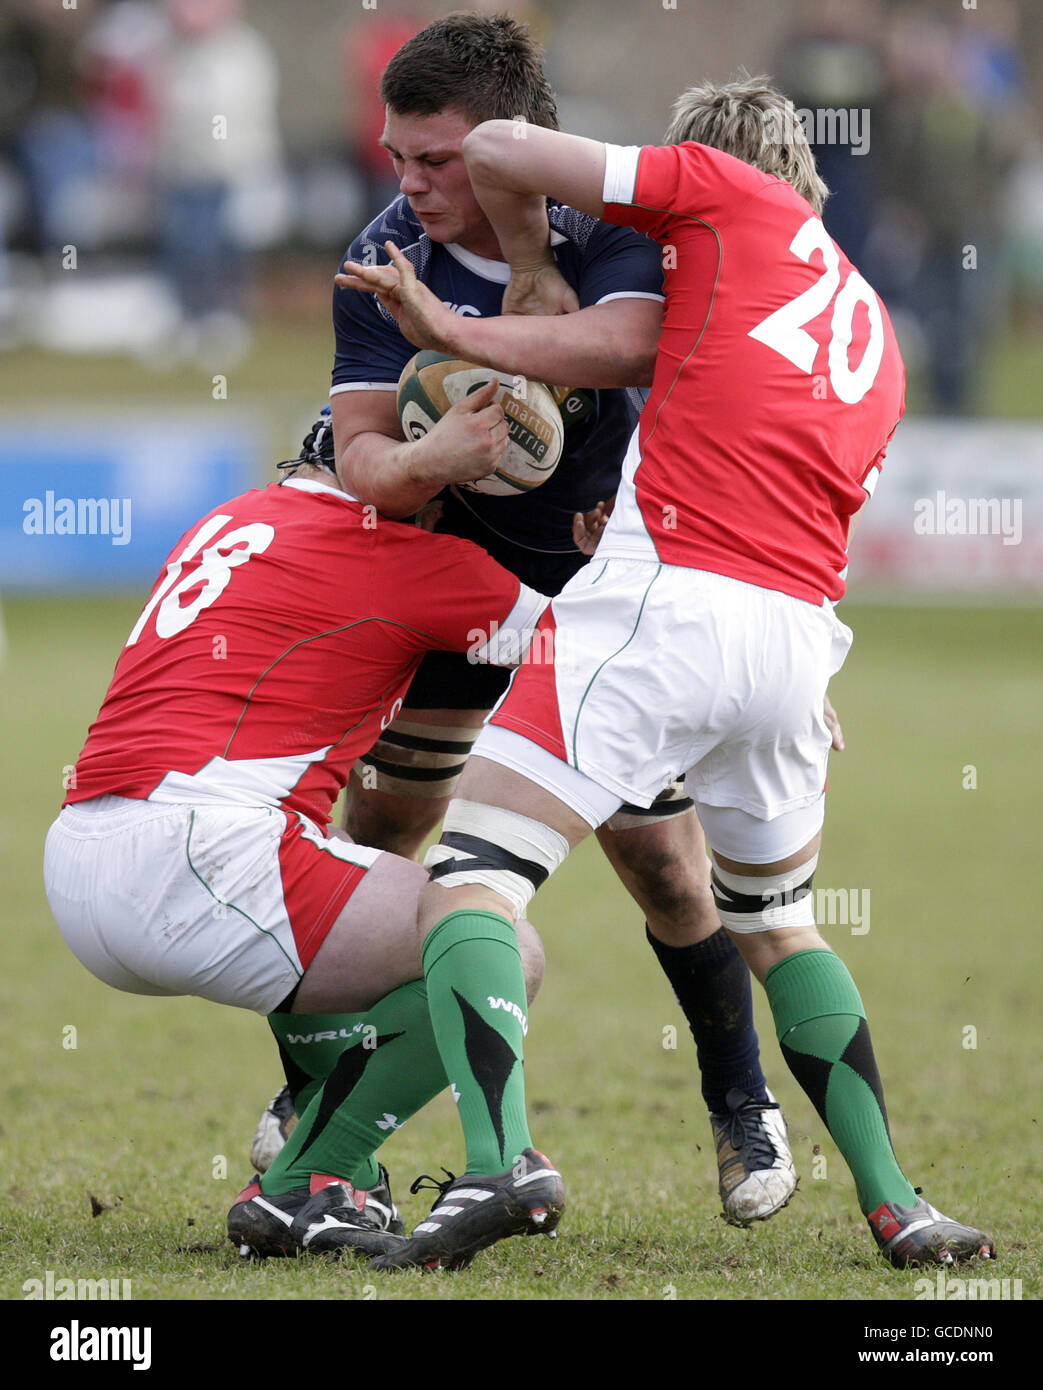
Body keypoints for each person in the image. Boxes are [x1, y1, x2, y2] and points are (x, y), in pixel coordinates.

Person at [339, 75, 996, 1274]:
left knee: (472, 874)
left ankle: (497, 1164)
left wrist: (487, 301)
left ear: (705, 167)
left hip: (661, 606)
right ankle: (899, 1204)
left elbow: (495, 141)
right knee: (780, 926)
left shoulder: (714, 193)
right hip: (793, 645)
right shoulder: (871, 326)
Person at [289, 9, 799, 1229]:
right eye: (395, 156)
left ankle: (740, 1103)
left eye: (437, 161)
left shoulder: (626, 230)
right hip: (458, 578)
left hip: (599, 598)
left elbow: (637, 358)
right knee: (384, 832)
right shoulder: (378, 255)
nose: (407, 187)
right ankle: (316, 1102)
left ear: (520, 144)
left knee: (667, 869)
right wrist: (421, 467)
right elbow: (355, 451)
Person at [42, 415, 551, 1261]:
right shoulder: (408, 553)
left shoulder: (236, 514)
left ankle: (322, 1174)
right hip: (201, 854)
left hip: (86, 856)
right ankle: (309, 1179)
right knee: (499, 944)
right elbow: (602, 662)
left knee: (356, 896)